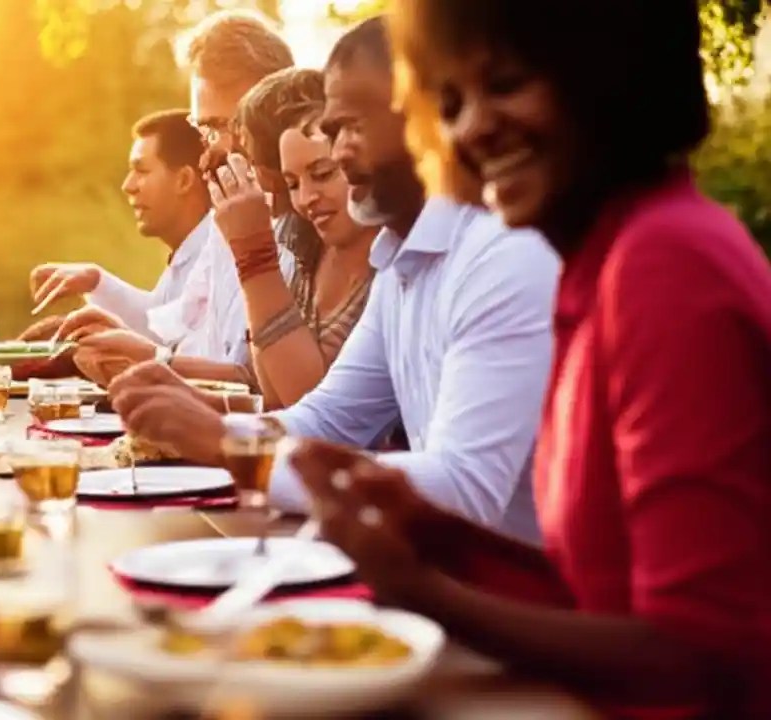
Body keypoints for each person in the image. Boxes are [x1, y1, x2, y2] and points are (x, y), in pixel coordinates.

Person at [294, 1, 771, 716]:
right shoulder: (602, 259)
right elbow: (600, 592)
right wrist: (435, 533)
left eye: (508, 83)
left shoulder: (664, 263)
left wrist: (425, 592)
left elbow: (705, 657)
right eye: (450, 102)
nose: (472, 128)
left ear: (607, 73)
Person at [110, 17, 559, 542]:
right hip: (446, 571)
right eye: (331, 134)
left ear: (425, 119)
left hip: (524, 597)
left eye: (352, 128)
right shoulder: (402, 261)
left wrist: (223, 442)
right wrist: (199, 424)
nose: (341, 153)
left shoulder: (502, 255)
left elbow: (464, 488)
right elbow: (327, 418)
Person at [64, 10, 301, 386]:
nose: (211, 150)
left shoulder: (310, 228)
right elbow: (179, 333)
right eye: (205, 128)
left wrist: (146, 357)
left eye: (229, 125)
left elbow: (264, 387)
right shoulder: (227, 220)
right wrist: (115, 330)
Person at [229, 67, 377, 408]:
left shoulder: (390, 265)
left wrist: (254, 257)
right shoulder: (305, 245)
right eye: (293, 183)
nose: (306, 198)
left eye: (323, 174)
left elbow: (311, 406)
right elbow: (273, 392)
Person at [28, 109, 211, 342]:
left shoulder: (219, 254)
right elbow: (162, 327)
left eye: (142, 171)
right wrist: (95, 281)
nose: (128, 185)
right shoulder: (188, 251)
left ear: (184, 180)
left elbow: (173, 349)